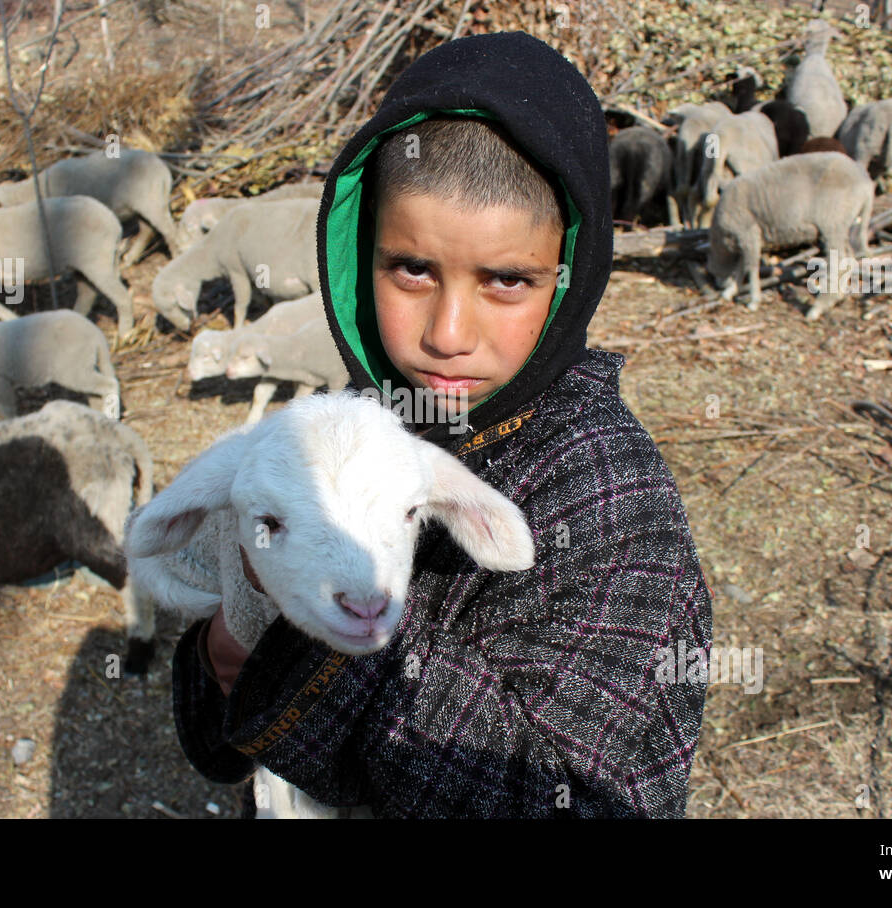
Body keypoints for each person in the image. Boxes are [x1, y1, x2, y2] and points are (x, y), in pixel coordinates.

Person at [171, 30, 713, 818]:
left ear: (570, 275)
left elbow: (582, 801)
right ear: (361, 256)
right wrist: (226, 646)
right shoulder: (345, 431)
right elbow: (220, 726)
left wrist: (295, 642)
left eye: (506, 280)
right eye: (413, 269)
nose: (447, 333)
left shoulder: (615, 511)